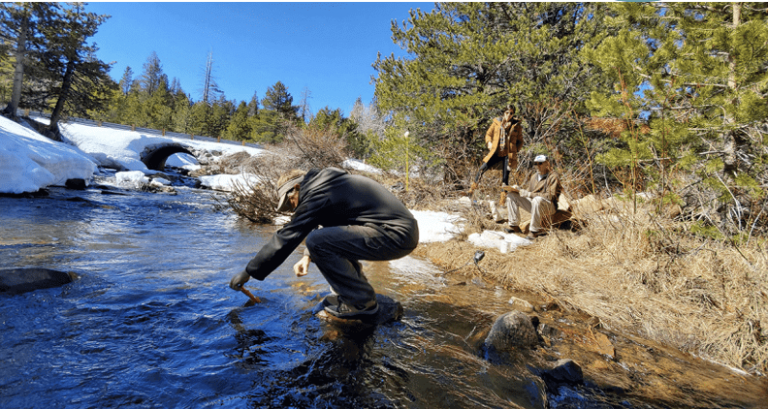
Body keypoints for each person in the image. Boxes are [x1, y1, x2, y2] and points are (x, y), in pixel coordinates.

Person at [229, 167, 419, 319]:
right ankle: (355, 294)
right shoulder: (327, 185)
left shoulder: (318, 192)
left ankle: (360, 302)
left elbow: (288, 236)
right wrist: (307, 256)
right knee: (320, 241)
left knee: (316, 240)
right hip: (398, 233)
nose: (292, 208)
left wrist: (249, 272)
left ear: (296, 187)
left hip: (395, 234)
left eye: (290, 202)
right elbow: (337, 232)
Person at [469, 104, 524, 195]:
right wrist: (489, 143)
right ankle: (472, 190)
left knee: (505, 178)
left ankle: (502, 200)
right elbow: (488, 134)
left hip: (508, 155)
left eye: (511, 113)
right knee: (482, 169)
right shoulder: (496, 123)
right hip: (496, 152)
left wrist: (515, 150)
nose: (509, 115)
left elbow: (520, 141)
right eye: (507, 112)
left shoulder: (516, 126)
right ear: (504, 112)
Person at [503, 155, 562, 240]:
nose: (538, 166)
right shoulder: (534, 176)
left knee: (537, 200)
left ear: (547, 164)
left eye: (540, 163)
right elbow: (530, 191)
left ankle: (534, 231)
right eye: (535, 163)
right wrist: (518, 190)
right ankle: (514, 226)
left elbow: (550, 196)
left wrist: (529, 194)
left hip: (549, 207)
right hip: (535, 205)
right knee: (511, 195)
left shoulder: (553, 176)